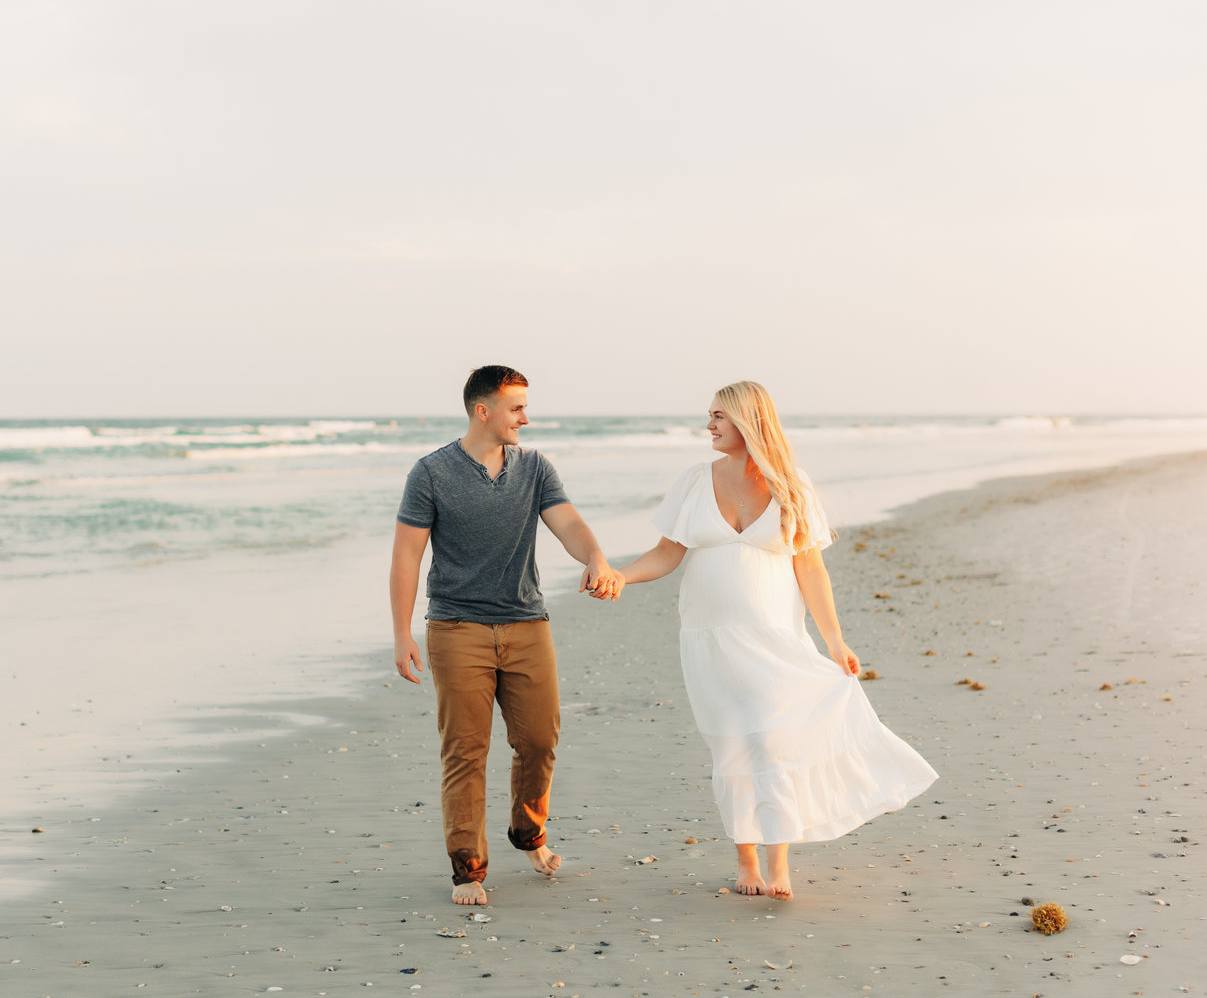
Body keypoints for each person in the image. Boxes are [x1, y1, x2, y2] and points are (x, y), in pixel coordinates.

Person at [613, 380, 937, 899]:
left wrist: (834, 640)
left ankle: (779, 862)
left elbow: (810, 567)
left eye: (719, 416)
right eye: (710, 415)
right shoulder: (695, 481)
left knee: (774, 742)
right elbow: (667, 553)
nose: (709, 425)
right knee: (731, 745)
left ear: (748, 421)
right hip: (709, 640)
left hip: (775, 639)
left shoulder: (792, 486)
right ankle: (746, 862)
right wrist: (619, 576)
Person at [390, 365, 621, 905]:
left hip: (525, 624)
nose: (525, 416)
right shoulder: (430, 472)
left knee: (540, 740)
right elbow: (406, 553)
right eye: (516, 407)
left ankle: (528, 832)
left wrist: (596, 557)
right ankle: (467, 868)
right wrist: (401, 631)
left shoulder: (535, 467)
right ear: (483, 410)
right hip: (456, 627)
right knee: (466, 751)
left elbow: (567, 522)